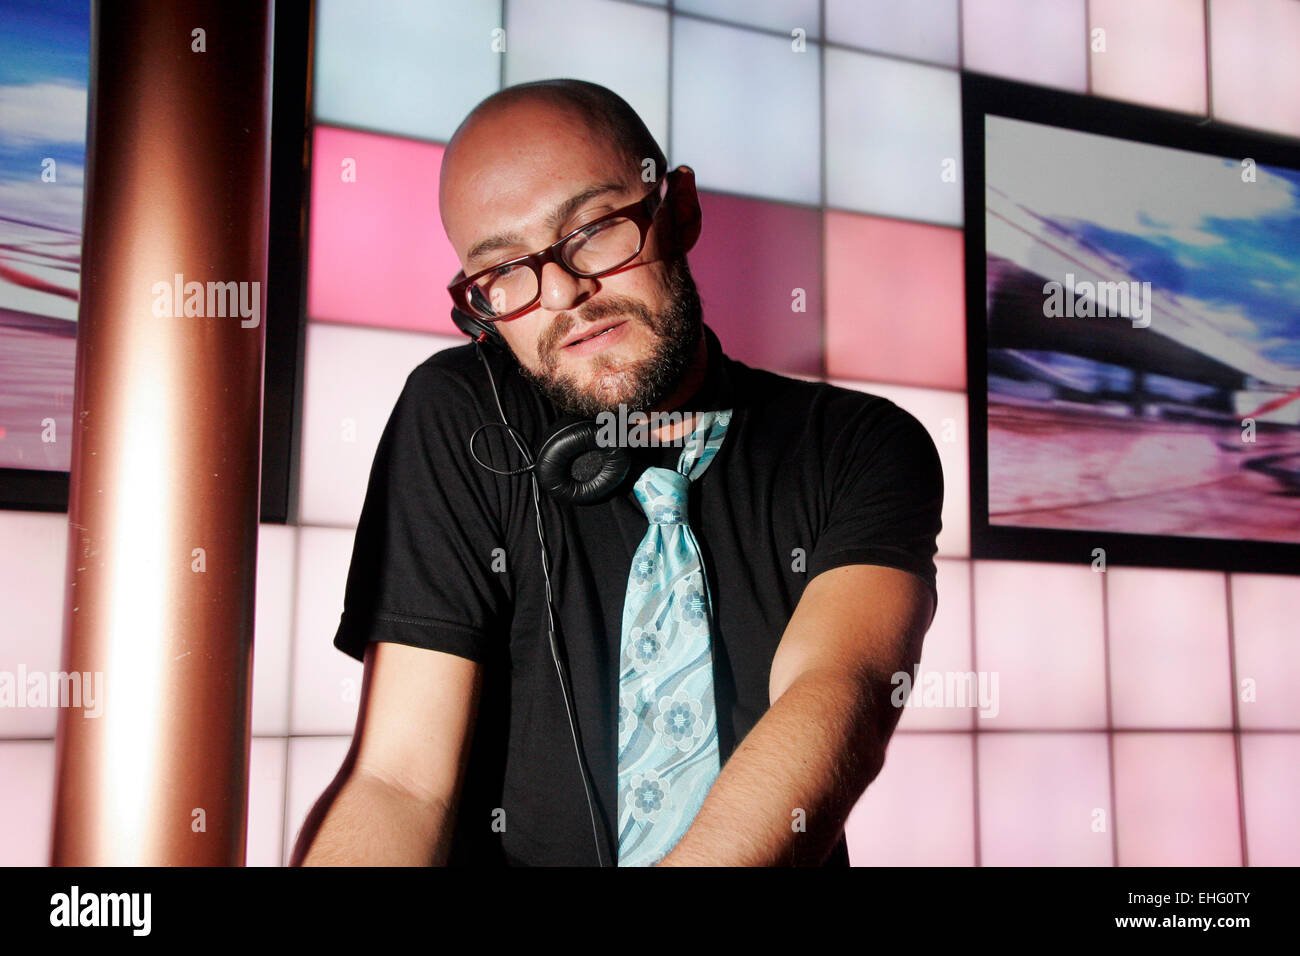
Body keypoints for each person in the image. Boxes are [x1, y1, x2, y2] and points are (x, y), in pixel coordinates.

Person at [291, 78, 942, 867]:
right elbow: (398, 781)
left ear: (682, 210)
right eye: (504, 272)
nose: (565, 293)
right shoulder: (462, 414)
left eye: (594, 228)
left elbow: (842, 691)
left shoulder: (860, 445)